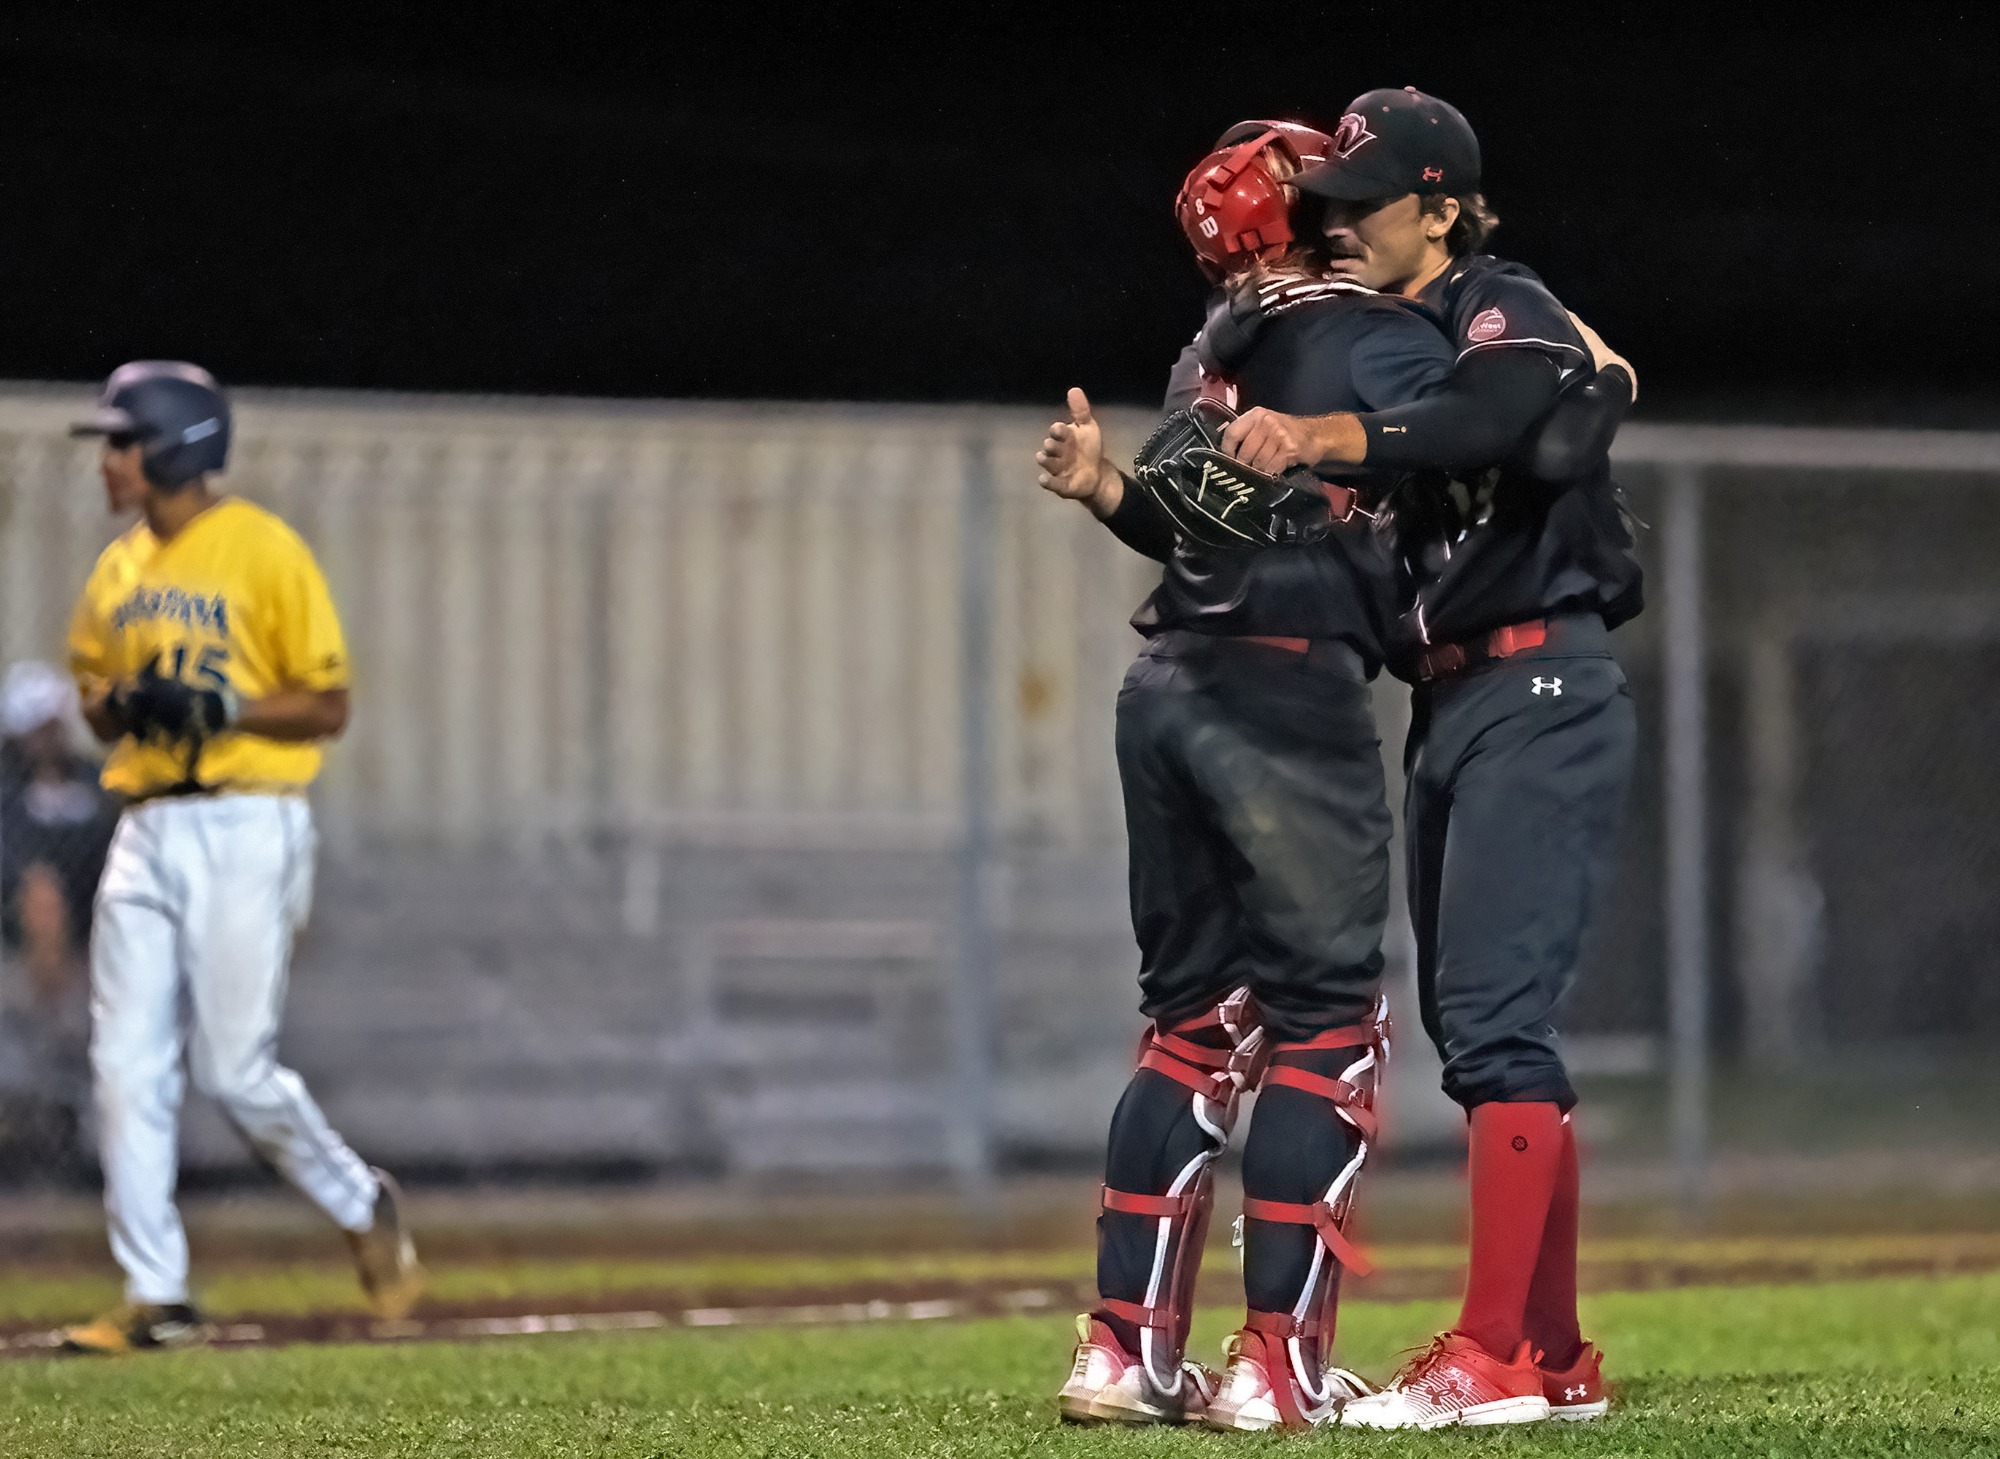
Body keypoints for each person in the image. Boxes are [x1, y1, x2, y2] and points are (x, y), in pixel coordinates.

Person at [1218, 88, 1639, 1428]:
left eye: (1368, 197)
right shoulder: (1387, 336)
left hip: (1542, 674)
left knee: (1501, 1024)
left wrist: (1327, 438)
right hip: (1458, 696)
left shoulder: (1492, 296)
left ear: (1443, 204)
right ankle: (1557, 1353)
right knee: (1480, 1030)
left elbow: (1496, 417)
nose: (1340, 219)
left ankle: (1499, 1355)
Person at [1035, 122, 1457, 1429]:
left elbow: (1183, 505)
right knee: (1330, 1026)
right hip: (1282, 692)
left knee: (1192, 1025)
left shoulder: (1217, 349)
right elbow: (1438, 475)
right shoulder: (1374, 335)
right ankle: (1274, 1363)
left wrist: (1111, 485)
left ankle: (1121, 1350)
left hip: (1165, 690)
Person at [57, 361, 425, 1354]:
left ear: (176, 445)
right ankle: (156, 1291)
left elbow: (328, 704)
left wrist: (219, 706)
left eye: (123, 443)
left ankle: (358, 1200)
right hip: (147, 822)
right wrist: (120, 705)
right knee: (124, 1066)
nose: (110, 463)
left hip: (246, 819)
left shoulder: (263, 551)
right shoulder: (118, 568)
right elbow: (93, 695)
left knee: (234, 1070)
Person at [0, 661, 115, 1178]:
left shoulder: (98, 784)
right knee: (43, 899)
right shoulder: (6, 791)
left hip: (94, 918)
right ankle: (56, 1027)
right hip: (19, 920)